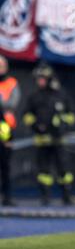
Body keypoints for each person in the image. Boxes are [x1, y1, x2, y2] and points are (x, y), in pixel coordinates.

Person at [23, 63, 75, 206]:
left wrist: (62, 123)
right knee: (43, 171)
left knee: (63, 170)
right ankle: (45, 196)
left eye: (42, 78)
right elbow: (27, 115)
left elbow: (71, 115)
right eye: (38, 78)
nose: (39, 81)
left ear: (49, 78)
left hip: (59, 139)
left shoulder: (61, 94)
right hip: (42, 140)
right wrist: (35, 126)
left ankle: (66, 196)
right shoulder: (34, 96)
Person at [0, 55, 20, 206]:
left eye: (2, 65)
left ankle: (7, 197)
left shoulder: (12, 83)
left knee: (6, 165)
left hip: (7, 128)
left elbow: (12, 103)